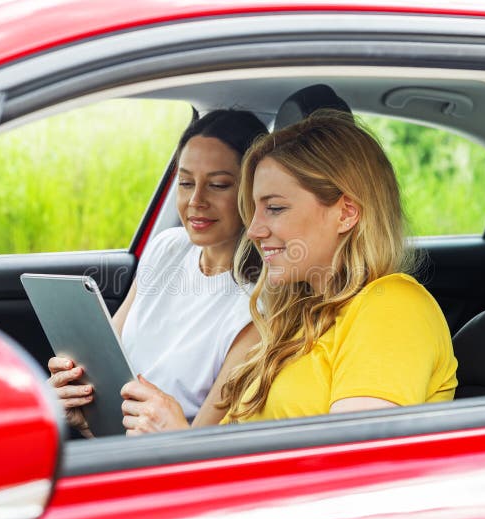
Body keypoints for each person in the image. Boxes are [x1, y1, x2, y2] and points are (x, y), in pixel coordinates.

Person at [119, 110, 457, 431]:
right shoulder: (293, 316)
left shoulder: (391, 306)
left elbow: (354, 467)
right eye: (254, 209)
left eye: (275, 208)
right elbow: (227, 444)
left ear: (346, 213)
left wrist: (178, 441)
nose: (253, 230)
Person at [47, 110, 267, 436]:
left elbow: (197, 446)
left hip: (155, 465)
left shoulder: (256, 306)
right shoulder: (167, 247)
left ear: (254, 191)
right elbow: (110, 353)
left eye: (218, 185)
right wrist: (76, 398)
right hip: (105, 440)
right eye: (186, 183)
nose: (196, 200)